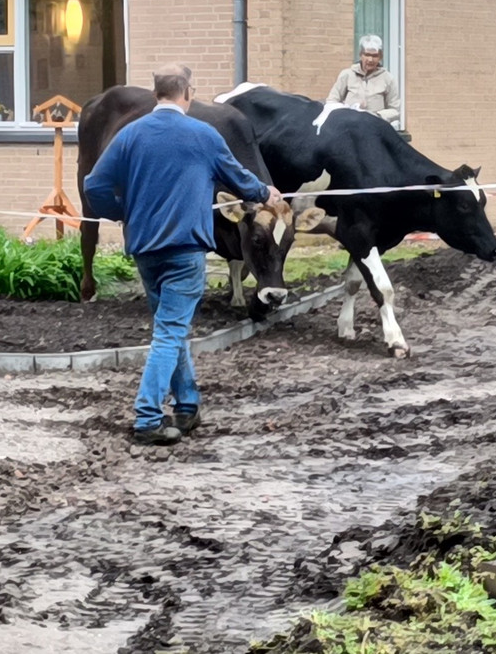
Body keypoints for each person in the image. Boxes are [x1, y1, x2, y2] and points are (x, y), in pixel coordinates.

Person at [84, 64, 282, 446]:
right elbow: (239, 180)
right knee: (169, 332)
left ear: (157, 92)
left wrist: (120, 211)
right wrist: (265, 193)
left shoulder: (129, 136)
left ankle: (188, 404)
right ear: (187, 93)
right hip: (185, 250)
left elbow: (95, 184)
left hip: (145, 249)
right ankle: (146, 417)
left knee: (169, 328)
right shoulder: (203, 135)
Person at [327, 34, 401, 124]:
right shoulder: (347, 75)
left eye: (375, 56)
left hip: (375, 128)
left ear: (380, 57)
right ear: (360, 55)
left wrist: (377, 115)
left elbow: (395, 111)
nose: (370, 59)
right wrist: (347, 110)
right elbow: (331, 101)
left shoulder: (388, 78)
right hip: (348, 127)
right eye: (367, 54)